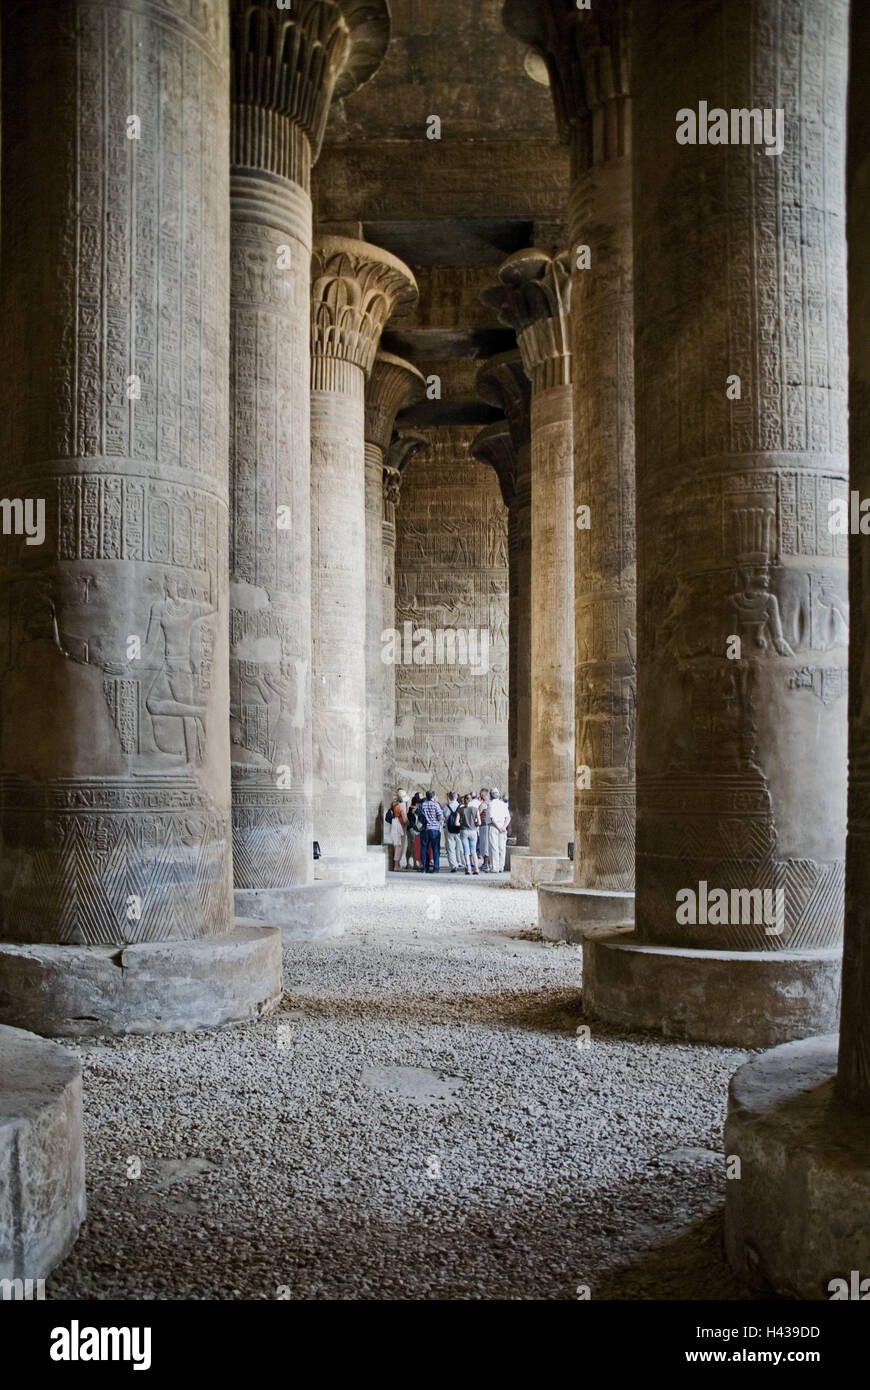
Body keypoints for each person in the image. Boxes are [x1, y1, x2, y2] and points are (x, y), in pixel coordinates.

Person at [420, 790, 445, 873]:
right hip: (435, 829)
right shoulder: (435, 805)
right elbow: (440, 816)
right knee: (435, 849)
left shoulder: (422, 805)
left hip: (425, 829)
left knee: (424, 848)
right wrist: (440, 819)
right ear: (433, 796)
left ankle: (424, 867)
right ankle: (436, 868)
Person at [487, 787, 511, 873]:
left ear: (491, 795)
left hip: (494, 827)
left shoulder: (491, 804)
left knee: (494, 847)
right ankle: (501, 866)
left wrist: (498, 828)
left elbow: (492, 819)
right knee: (502, 848)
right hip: (502, 826)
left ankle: (495, 867)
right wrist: (504, 827)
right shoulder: (503, 804)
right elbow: (508, 818)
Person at [387, 789, 409, 871]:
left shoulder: (393, 804)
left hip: (394, 823)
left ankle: (397, 864)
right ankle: (396, 865)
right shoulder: (401, 805)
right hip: (400, 825)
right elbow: (404, 818)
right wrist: (409, 823)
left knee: (396, 845)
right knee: (400, 846)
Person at [459, 794, 480, 874]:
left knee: (466, 851)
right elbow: (479, 822)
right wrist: (474, 824)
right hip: (473, 831)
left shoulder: (461, 810)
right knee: (473, 851)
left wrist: (462, 823)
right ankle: (476, 868)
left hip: (464, 830)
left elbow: (456, 822)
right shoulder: (475, 809)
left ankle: (468, 868)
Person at [443, 790, 463, 872]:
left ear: (450, 797)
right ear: (457, 797)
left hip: (449, 829)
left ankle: (453, 865)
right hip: (459, 828)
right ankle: (462, 862)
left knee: (451, 847)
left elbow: (445, 816)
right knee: (460, 846)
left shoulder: (446, 807)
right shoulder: (461, 806)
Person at [408, 793, 425, 870]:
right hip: (414, 829)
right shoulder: (415, 809)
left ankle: (411, 862)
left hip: (412, 829)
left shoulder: (410, 809)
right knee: (415, 847)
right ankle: (415, 863)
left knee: (411, 846)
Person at [477, 788, 491, 871]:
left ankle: (486, 863)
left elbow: (478, 814)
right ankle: (486, 862)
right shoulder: (490, 803)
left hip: (484, 826)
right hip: (488, 826)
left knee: (484, 844)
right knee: (487, 844)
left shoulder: (483, 804)